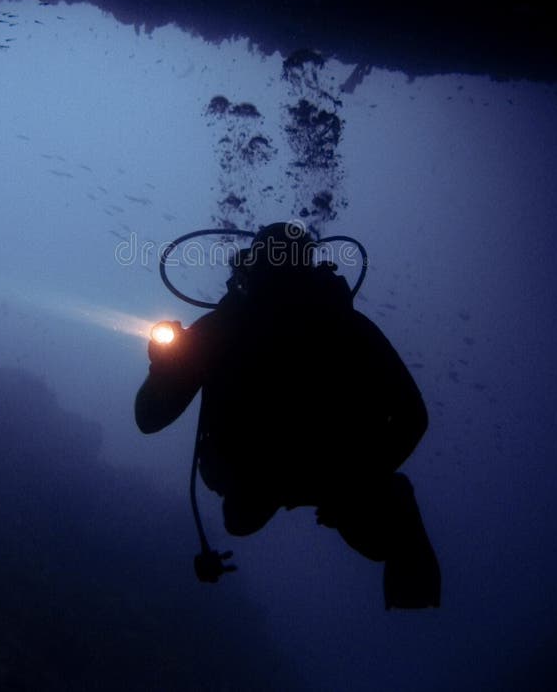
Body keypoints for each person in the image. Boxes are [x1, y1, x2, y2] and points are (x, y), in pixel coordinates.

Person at [135, 222, 441, 608]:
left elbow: (149, 419)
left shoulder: (221, 330)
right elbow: (413, 417)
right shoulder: (343, 327)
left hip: (309, 474)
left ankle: (380, 510)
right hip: (306, 473)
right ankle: (376, 506)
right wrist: (165, 368)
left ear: (249, 267)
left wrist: (163, 368)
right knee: (240, 520)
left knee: (245, 518)